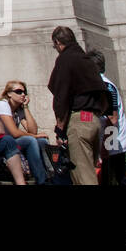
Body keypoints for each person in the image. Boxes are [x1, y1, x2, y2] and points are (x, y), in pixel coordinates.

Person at [47, 26, 110, 185]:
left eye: (55, 46)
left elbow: (62, 96)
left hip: (79, 122)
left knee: (84, 178)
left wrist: (60, 129)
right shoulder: (86, 60)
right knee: (88, 171)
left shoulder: (65, 59)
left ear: (58, 42)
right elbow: (103, 93)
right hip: (94, 121)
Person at [0, 80, 51, 184]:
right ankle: (41, 180)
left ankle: (49, 175)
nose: (23, 94)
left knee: (42, 141)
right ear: (9, 94)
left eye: (24, 92)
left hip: (12, 142)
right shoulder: (2, 105)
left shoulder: (18, 109)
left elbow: (32, 130)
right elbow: (15, 133)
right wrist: (35, 136)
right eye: (19, 92)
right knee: (30, 140)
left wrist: (25, 107)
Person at [89, 50, 126, 185]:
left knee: (115, 177)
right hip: (110, 136)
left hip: (113, 136)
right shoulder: (100, 84)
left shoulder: (106, 86)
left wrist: (105, 147)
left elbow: (112, 119)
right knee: (110, 177)